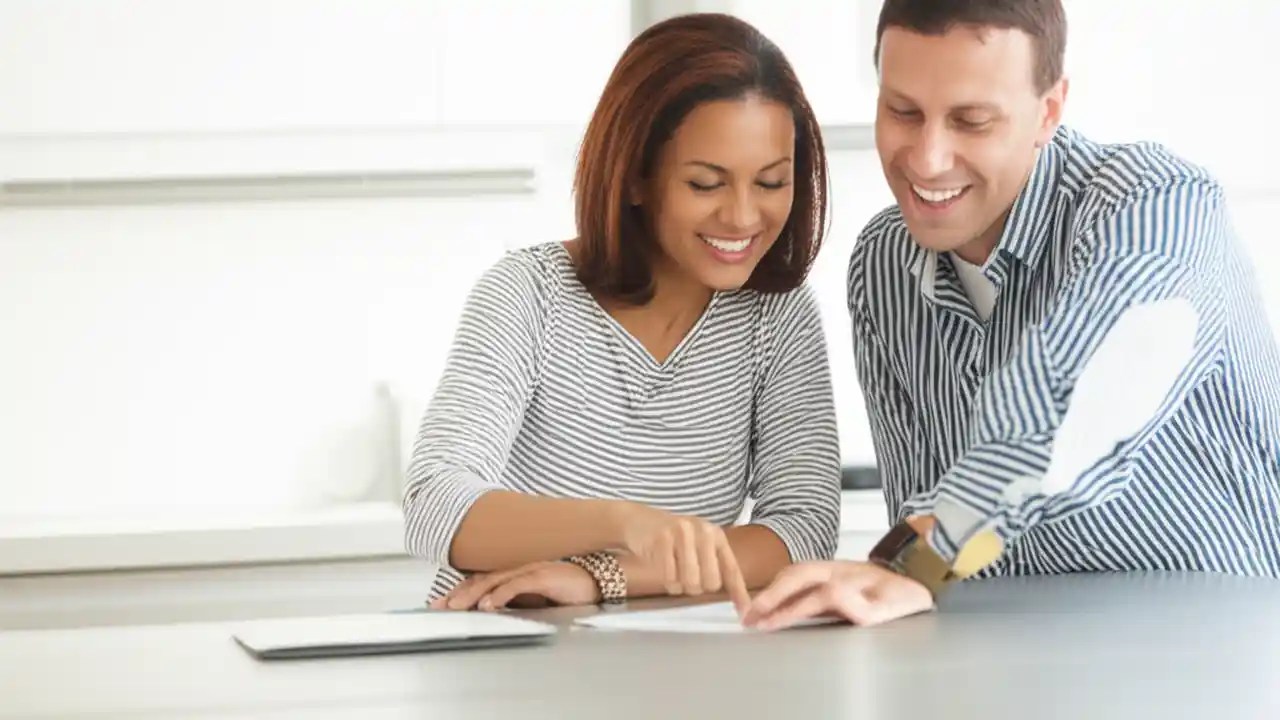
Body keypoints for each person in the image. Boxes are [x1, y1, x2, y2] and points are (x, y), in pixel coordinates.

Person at [744, 0, 1280, 631]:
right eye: (903, 112)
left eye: (971, 121)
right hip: (1005, 665)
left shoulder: (1156, 208)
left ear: (1048, 111)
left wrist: (911, 563)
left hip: (1220, 661)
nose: (927, 158)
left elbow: (1075, 409)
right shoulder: (883, 265)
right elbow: (930, 522)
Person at [403, 13, 842, 614]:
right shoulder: (529, 295)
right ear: (636, 177)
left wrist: (600, 577)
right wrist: (627, 524)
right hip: (497, 660)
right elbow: (435, 508)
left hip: (665, 673)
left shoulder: (777, 316)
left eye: (770, 182)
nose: (743, 218)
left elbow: (802, 529)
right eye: (706, 184)